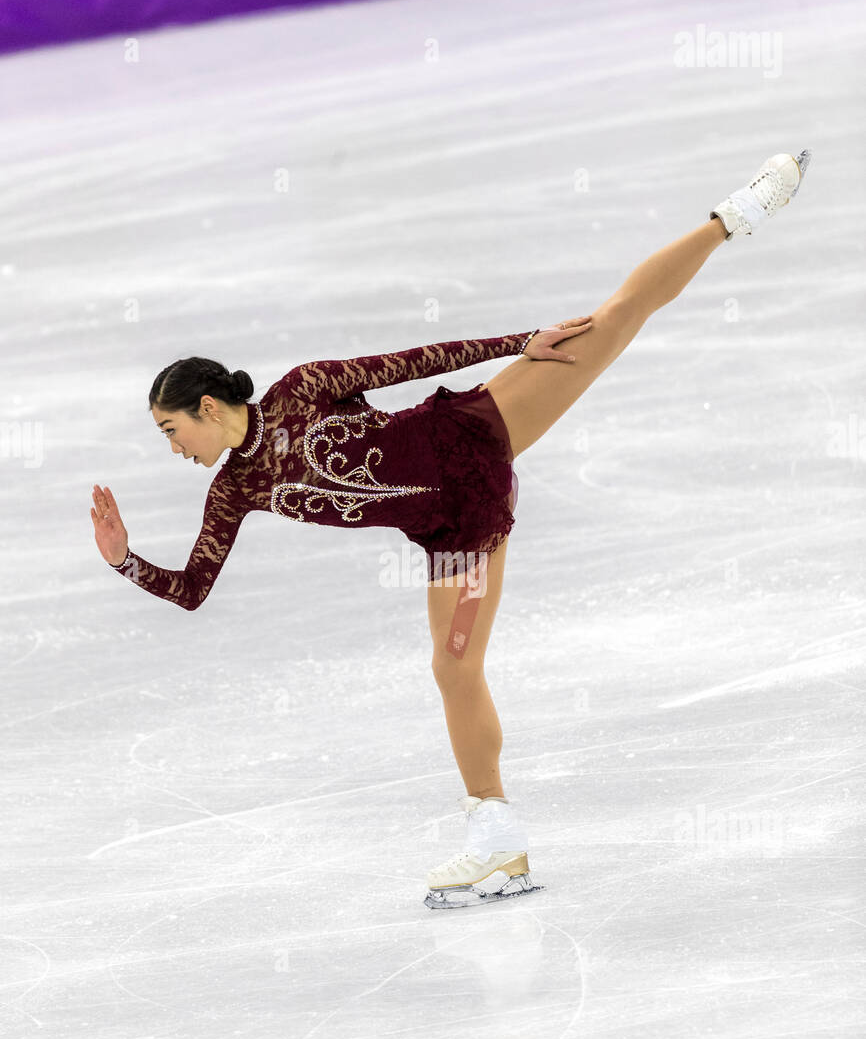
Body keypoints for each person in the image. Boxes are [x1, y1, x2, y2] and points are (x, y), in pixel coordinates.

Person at [91, 150, 811, 909]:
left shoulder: (301, 389)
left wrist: (520, 343)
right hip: (450, 526)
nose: (175, 451)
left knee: (612, 320)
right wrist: (123, 562)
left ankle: (734, 215)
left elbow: (409, 361)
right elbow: (194, 589)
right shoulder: (235, 489)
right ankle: (497, 836)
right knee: (454, 666)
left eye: (172, 430)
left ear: (208, 406)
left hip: (474, 434)